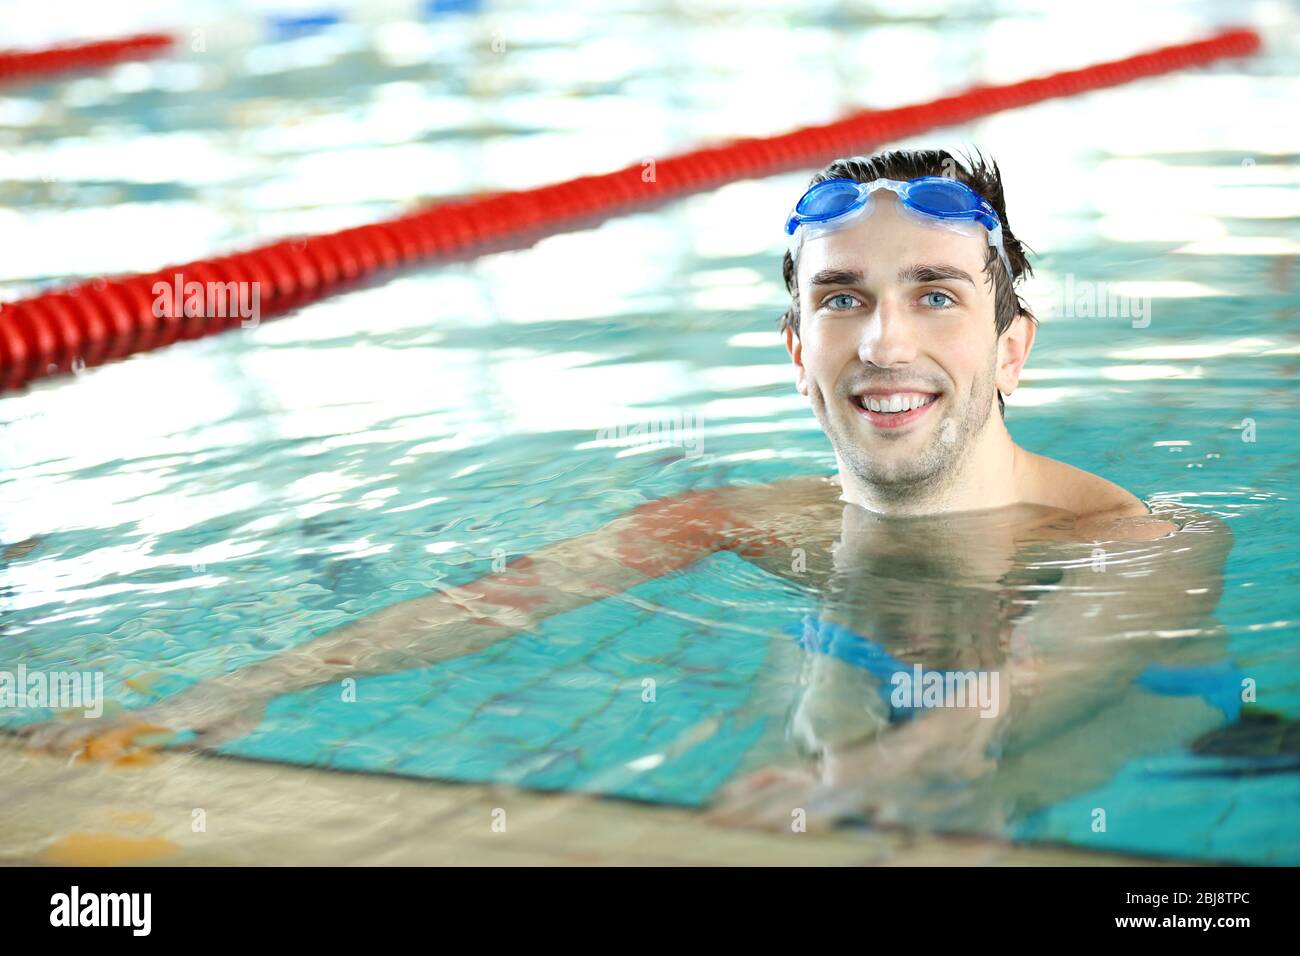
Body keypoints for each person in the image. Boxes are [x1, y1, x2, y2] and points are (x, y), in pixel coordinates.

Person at [22, 150, 1235, 833]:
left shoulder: (1143, 535)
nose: (880, 345)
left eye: (935, 294)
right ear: (794, 344)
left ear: (1013, 347)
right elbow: (504, 598)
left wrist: (902, 763)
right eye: (840, 299)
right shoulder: (749, 522)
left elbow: (1048, 668)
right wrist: (247, 682)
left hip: (1170, 762)